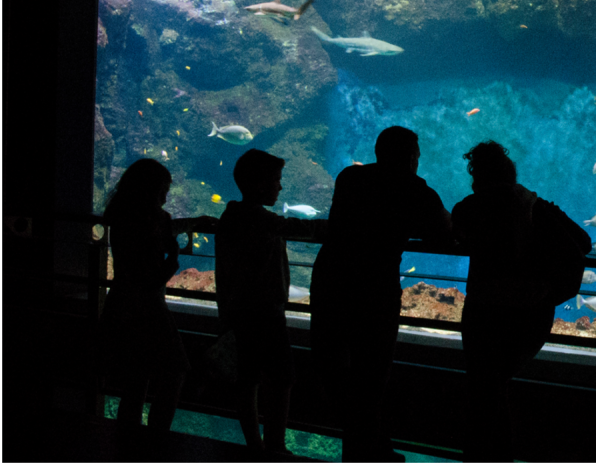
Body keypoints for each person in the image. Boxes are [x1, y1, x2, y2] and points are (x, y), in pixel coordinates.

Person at [310, 126, 452, 462]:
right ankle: (373, 451)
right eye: (416, 154)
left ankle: (366, 450)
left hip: (331, 281)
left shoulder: (349, 178)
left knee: (335, 371)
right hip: (374, 291)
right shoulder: (415, 189)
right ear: (411, 157)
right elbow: (443, 233)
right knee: (370, 376)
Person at [451, 141, 591, 462]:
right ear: (512, 175)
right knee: (494, 388)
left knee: (483, 391)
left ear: (478, 177)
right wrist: (545, 290)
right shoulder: (535, 206)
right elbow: (582, 242)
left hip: (484, 314)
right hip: (530, 316)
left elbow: (454, 232)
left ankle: (485, 456)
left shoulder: (468, 208)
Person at [215, 148, 327, 459]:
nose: (280, 186)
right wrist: (342, 226)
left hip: (240, 311)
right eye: (276, 180)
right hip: (262, 313)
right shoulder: (256, 218)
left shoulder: (234, 215)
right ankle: (274, 447)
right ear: (260, 184)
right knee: (282, 377)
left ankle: (256, 447)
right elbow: (301, 228)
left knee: (248, 379)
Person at [98, 159, 216, 434]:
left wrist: (192, 223)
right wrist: (173, 259)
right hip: (148, 309)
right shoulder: (153, 221)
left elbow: (159, 231)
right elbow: (152, 276)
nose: (166, 196)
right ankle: (157, 437)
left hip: (121, 304)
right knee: (176, 370)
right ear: (149, 190)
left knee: (136, 378)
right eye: (163, 189)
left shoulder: (122, 215)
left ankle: (128, 440)